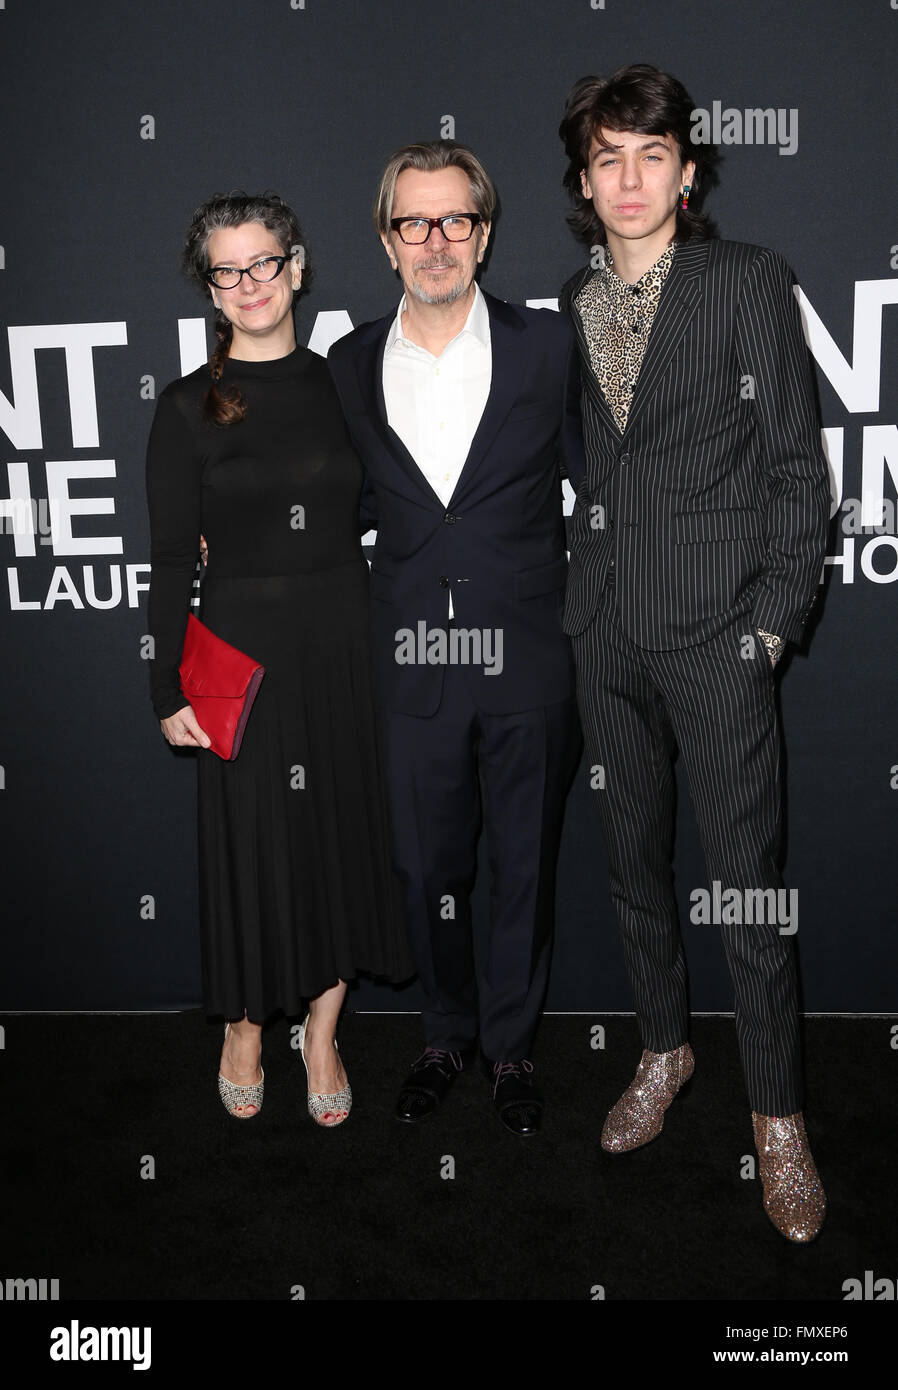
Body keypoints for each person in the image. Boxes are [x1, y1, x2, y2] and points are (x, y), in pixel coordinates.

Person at [558, 64, 830, 1239]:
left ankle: (778, 1122)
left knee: (749, 892)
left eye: (651, 155)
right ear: (583, 180)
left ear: (687, 171)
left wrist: (768, 627)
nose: (629, 178)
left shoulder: (746, 281)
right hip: (601, 629)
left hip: (718, 635)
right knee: (633, 870)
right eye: (608, 157)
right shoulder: (564, 305)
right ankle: (663, 1052)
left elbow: (794, 469)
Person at [327, 140, 585, 1136]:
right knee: (428, 869)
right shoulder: (348, 364)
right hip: (410, 663)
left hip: (528, 653)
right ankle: (444, 1033)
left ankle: (512, 1048)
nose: (435, 242)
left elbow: (601, 483)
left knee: (524, 860)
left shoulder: (546, 346)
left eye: (455, 221)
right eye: (412, 222)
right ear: (386, 239)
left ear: (483, 231)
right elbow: (329, 495)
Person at [145, 192, 413, 1126]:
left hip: (343, 644)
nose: (251, 283)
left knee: (340, 839)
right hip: (240, 658)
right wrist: (164, 682)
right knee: (254, 848)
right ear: (212, 291)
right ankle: (246, 1027)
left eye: (266, 262)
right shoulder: (187, 407)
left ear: (297, 267)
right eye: (229, 270)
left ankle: (324, 1031)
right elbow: (173, 557)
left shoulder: (348, 384)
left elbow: (387, 502)